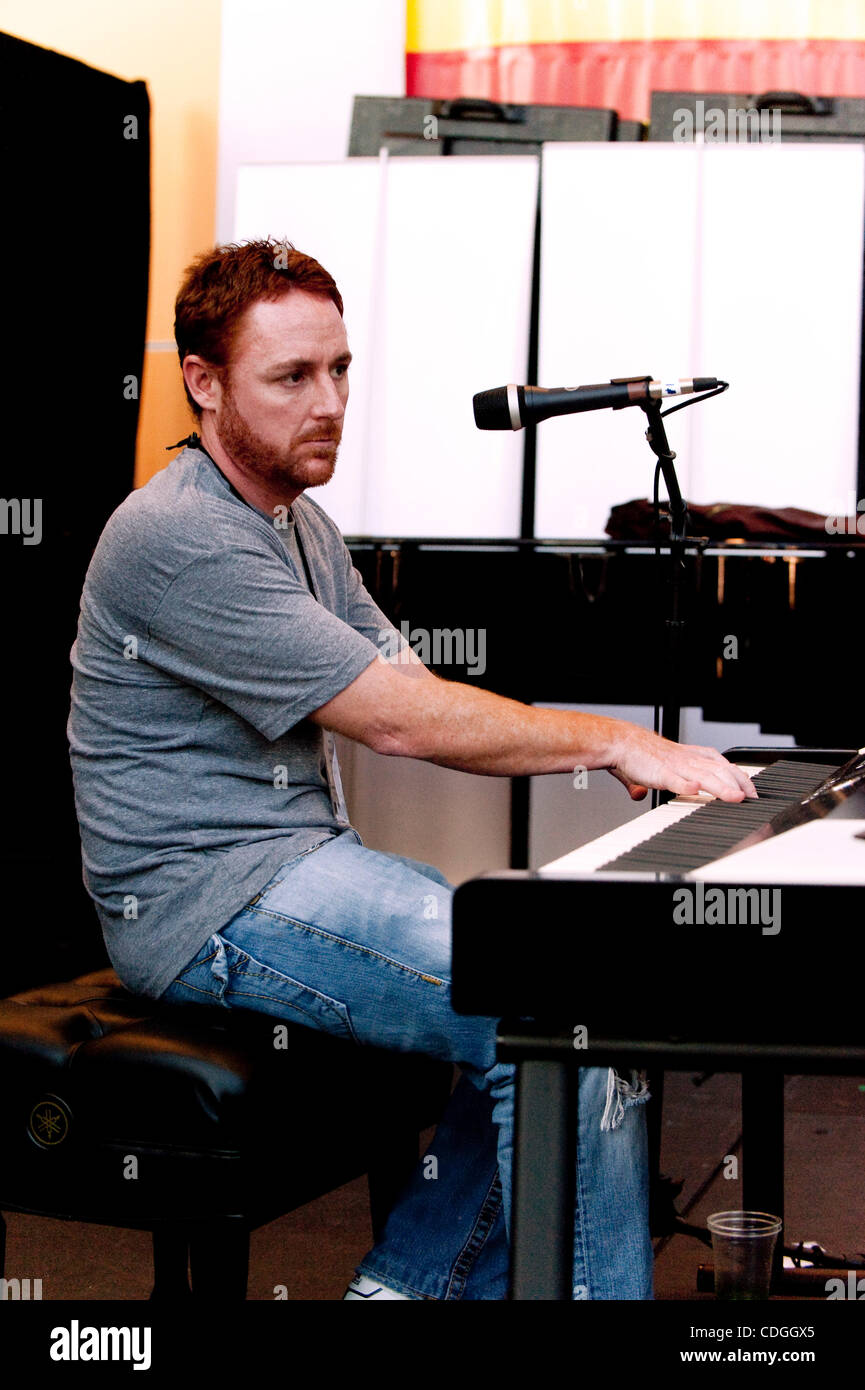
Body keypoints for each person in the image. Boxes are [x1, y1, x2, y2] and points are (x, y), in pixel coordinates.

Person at [67, 239, 757, 1300]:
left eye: (340, 369)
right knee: (543, 991)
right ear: (203, 384)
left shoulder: (300, 523)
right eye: (291, 377)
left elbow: (406, 681)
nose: (330, 400)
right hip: (202, 903)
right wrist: (614, 740)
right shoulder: (175, 535)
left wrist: (583, 747)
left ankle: (407, 1292)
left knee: (547, 988)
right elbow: (397, 720)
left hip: (292, 868)